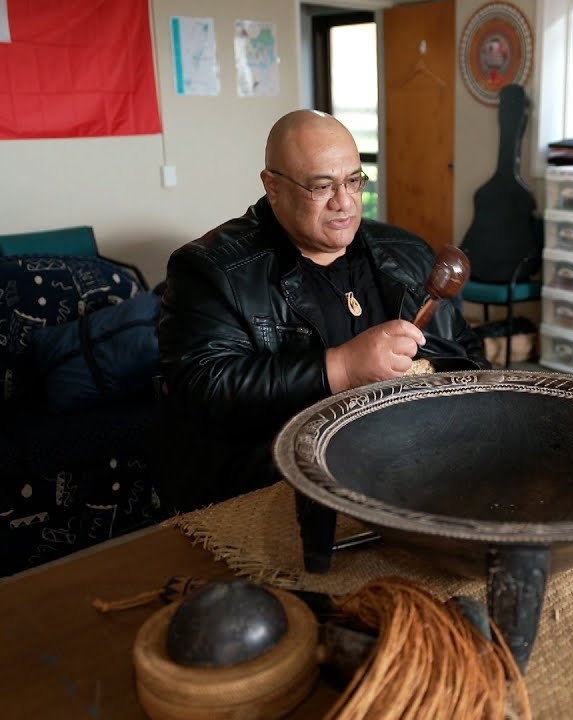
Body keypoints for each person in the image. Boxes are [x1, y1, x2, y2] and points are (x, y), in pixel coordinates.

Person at [155, 110, 487, 513]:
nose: (345, 202)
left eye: (352, 180)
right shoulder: (213, 270)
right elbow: (202, 386)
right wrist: (341, 367)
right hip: (275, 481)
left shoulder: (406, 252)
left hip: (409, 465)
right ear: (272, 186)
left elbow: (464, 349)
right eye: (322, 186)